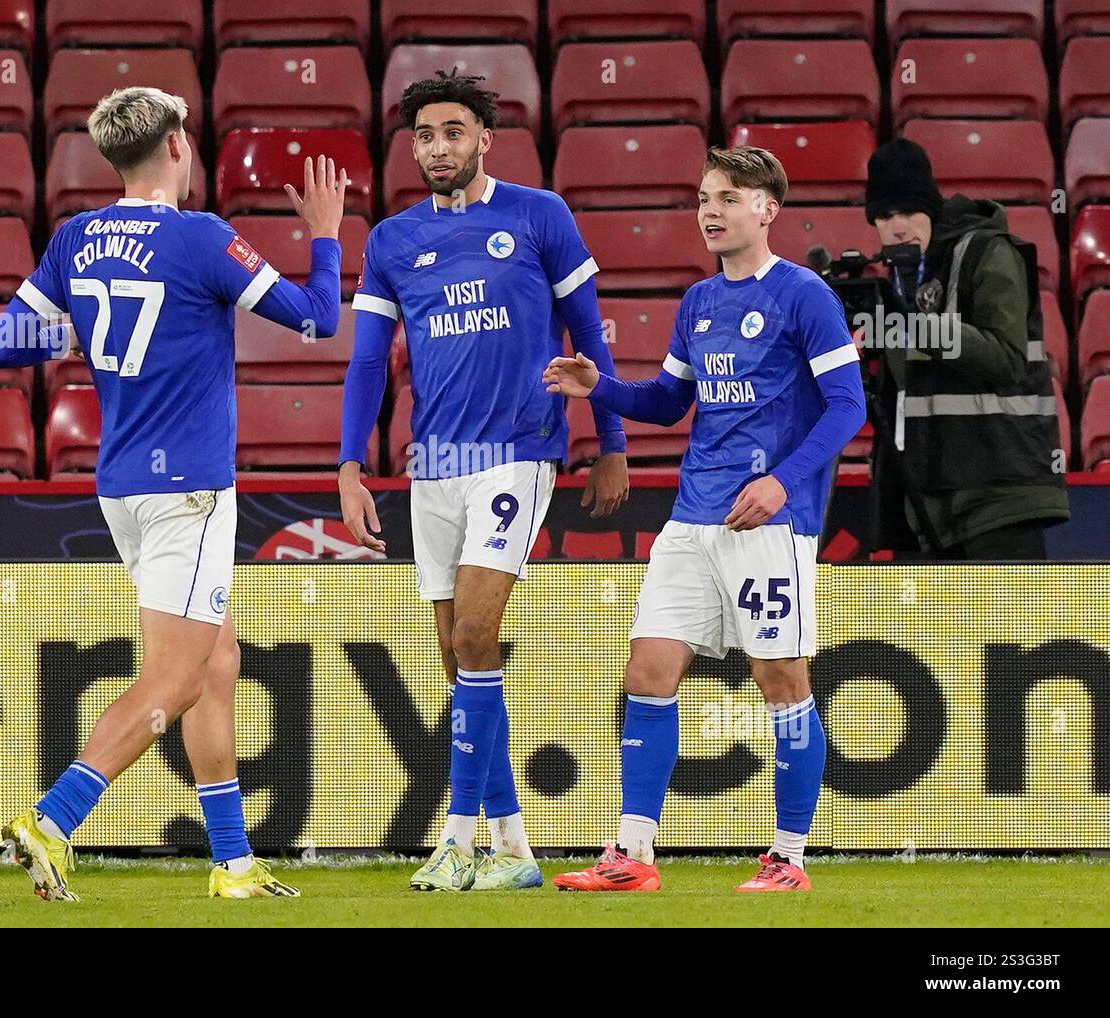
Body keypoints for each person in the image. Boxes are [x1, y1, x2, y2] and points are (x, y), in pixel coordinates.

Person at [0, 86, 348, 901]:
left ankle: (233, 863)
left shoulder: (77, 237)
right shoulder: (200, 239)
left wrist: (87, 320)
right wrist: (325, 236)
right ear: (180, 147)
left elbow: (3, 346)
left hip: (122, 487)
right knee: (177, 676)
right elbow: (319, 319)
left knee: (217, 661)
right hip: (190, 487)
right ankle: (52, 818)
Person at [338, 70, 630, 891]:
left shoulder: (541, 215)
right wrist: (351, 464)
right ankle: (518, 852)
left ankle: (458, 839)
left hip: (517, 449)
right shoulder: (392, 240)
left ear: (483, 138)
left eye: (453, 132)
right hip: (432, 465)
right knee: (461, 659)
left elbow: (587, 334)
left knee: (474, 638)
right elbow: (367, 361)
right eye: (425, 135)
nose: (439, 148)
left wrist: (608, 438)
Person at [546, 146, 865, 892]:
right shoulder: (698, 302)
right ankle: (631, 855)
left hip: (770, 524)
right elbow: (667, 403)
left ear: (767, 209)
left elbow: (850, 405)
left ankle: (788, 858)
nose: (711, 212)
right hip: (694, 519)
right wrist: (602, 388)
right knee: (647, 672)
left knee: (780, 678)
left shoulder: (805, 295)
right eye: (702, 199)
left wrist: (783, 485)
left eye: (727, 197)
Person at [864, 138, 1069, 558]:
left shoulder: (988, 252)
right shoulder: (898, 283)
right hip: (931, 502)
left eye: (908, 211)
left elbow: (1007, 359)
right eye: (884, 215)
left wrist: (915, 326)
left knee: (1008, 627)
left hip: (1000, 495)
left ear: (932, 209)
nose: (897, 225)